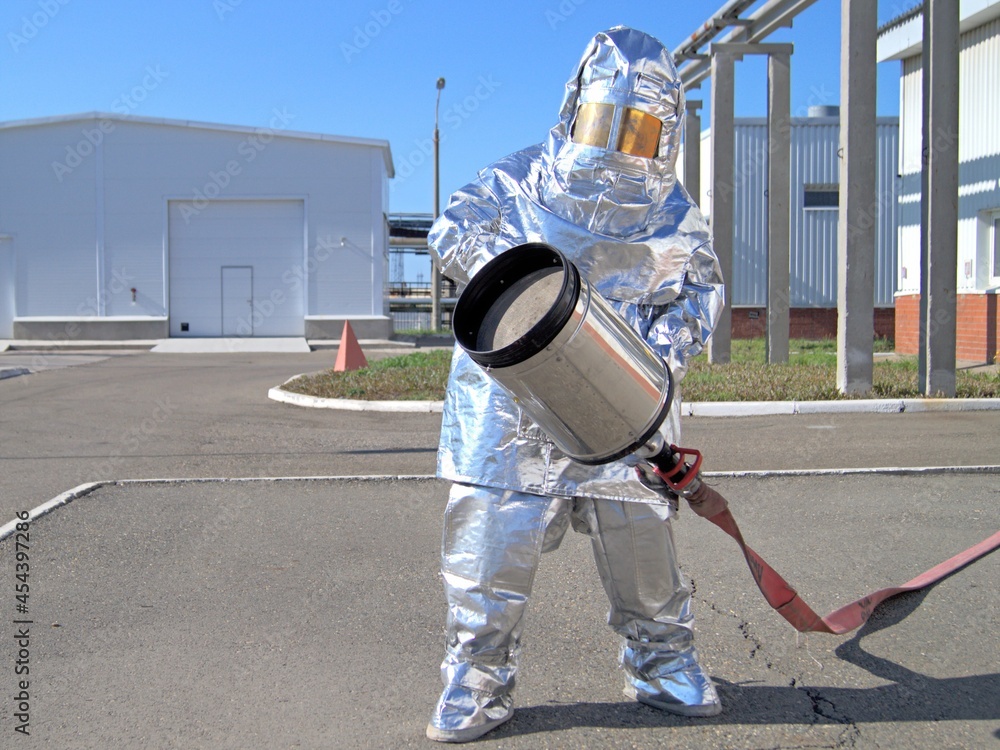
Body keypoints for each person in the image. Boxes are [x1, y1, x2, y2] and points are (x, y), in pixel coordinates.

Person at [425, 26, 725, 743]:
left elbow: (696, 296)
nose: (620, 140)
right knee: (486, 560)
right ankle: (476, 681)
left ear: (669, 130)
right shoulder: (517, 180)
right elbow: (450, 232)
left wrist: (655, 358)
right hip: (508, 409)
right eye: (603, 118)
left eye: (641, 124)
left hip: (620, 411)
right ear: (572, 112)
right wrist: (519, 282)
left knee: (643, 551)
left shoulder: (675, 214)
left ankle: (661, 664)